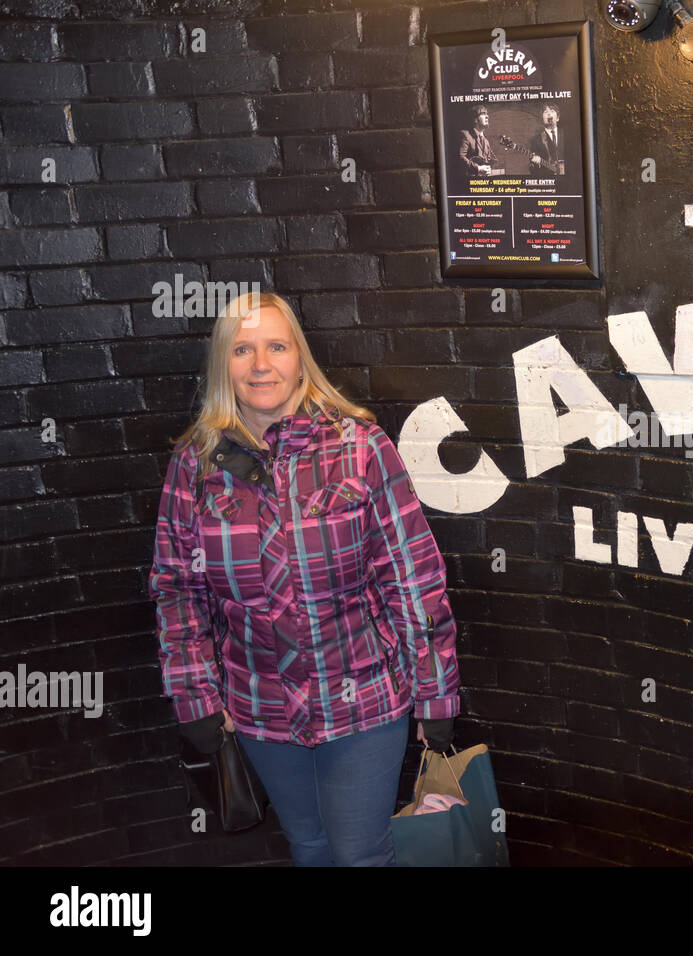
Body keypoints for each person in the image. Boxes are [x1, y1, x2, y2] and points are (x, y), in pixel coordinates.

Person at [149, 291, 460, 867]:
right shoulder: (195, 464)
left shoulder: (360, 447)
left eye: (275, 346)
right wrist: (194, 695)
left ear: (299, 356)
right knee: (309, 847)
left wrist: (435, 691)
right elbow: (177, 590)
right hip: (258, 705)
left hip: (363, 699)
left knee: (360, 854)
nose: (260, 364)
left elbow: (413, 577)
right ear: (224, 363)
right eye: (242, 349)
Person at [457, 105, 496, 176]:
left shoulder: (486, 141)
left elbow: (487, 161)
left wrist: (488, 169)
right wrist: (478, 168)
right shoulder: (465, 135)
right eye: (483, 114)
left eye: (487, 114)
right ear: (475, 119)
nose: (487, 116)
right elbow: (460, 157)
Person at [528, 105, 564, 175]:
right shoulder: (535, 140)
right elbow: (533, 170)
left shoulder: (567, 134)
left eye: (552, 111)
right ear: (542, 119)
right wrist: (535, 163)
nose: (549, 113)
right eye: (545, 112)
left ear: (558, 118)